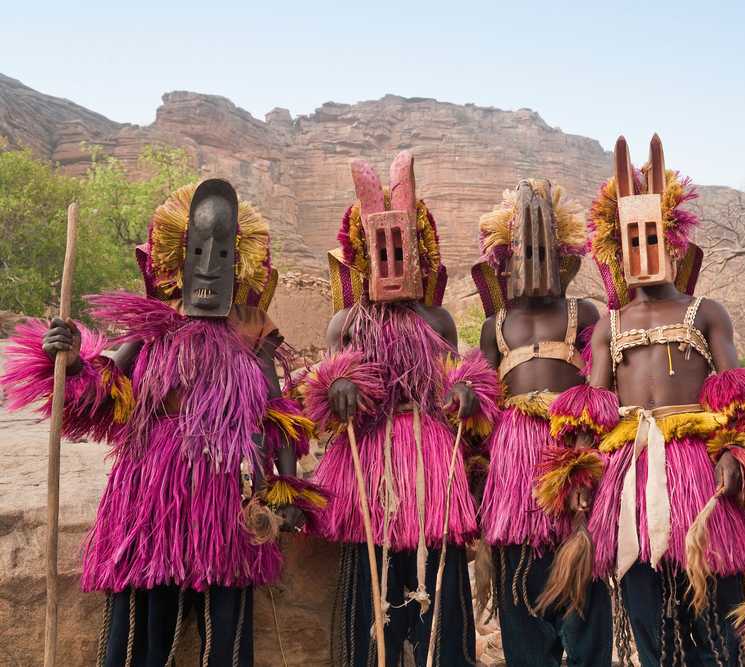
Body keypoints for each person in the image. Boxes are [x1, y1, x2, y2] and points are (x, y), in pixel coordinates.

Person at [2, 179, 321, 666]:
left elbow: (278, 415)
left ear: (240, 263)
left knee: (224, 623)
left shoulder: (252, 327)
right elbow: (104, 383)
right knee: (145, 616)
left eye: (222, 255)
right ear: (176, 259)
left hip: (230, 496)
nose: (209, 266)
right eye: (198, 252)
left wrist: (287, 490)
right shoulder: (153, 324)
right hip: (151, 492)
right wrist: (71, 358)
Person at [541, 135, 745, 667]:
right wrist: (580, 476)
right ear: (616, 246)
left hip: (697, 470)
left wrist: (733, 453)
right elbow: (592, 407)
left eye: (651, 235)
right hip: (628, 474)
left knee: (713, 611)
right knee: (644, 606)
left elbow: (738, 396)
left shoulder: (707, 311)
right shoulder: (609, 324)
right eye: (632, 238)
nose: (643, 248)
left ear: (672, 240)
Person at [300, 151, 500, 667]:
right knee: (371, 591)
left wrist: (465, 391)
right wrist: (336, 385)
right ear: (364, 251)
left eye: (401, 245)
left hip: (430, 466)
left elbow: (462, 378)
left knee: (440, 584)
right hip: (366, 469)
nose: (391, 257)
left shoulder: (438, 320)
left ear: (418, 248)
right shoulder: (345, 323)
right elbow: (321, 396)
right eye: (381, 247)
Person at [472, 178, 611, 666]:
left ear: (562, 257)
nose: (531, 262)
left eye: (541, 251)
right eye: (521, 252)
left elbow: (602, 383)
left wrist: (586, 457)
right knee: (521, 576)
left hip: (569, 451)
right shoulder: (495, 326)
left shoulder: (582, 312)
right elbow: (483, 397)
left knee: (584, 583)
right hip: (513, 472)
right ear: (503, 260)